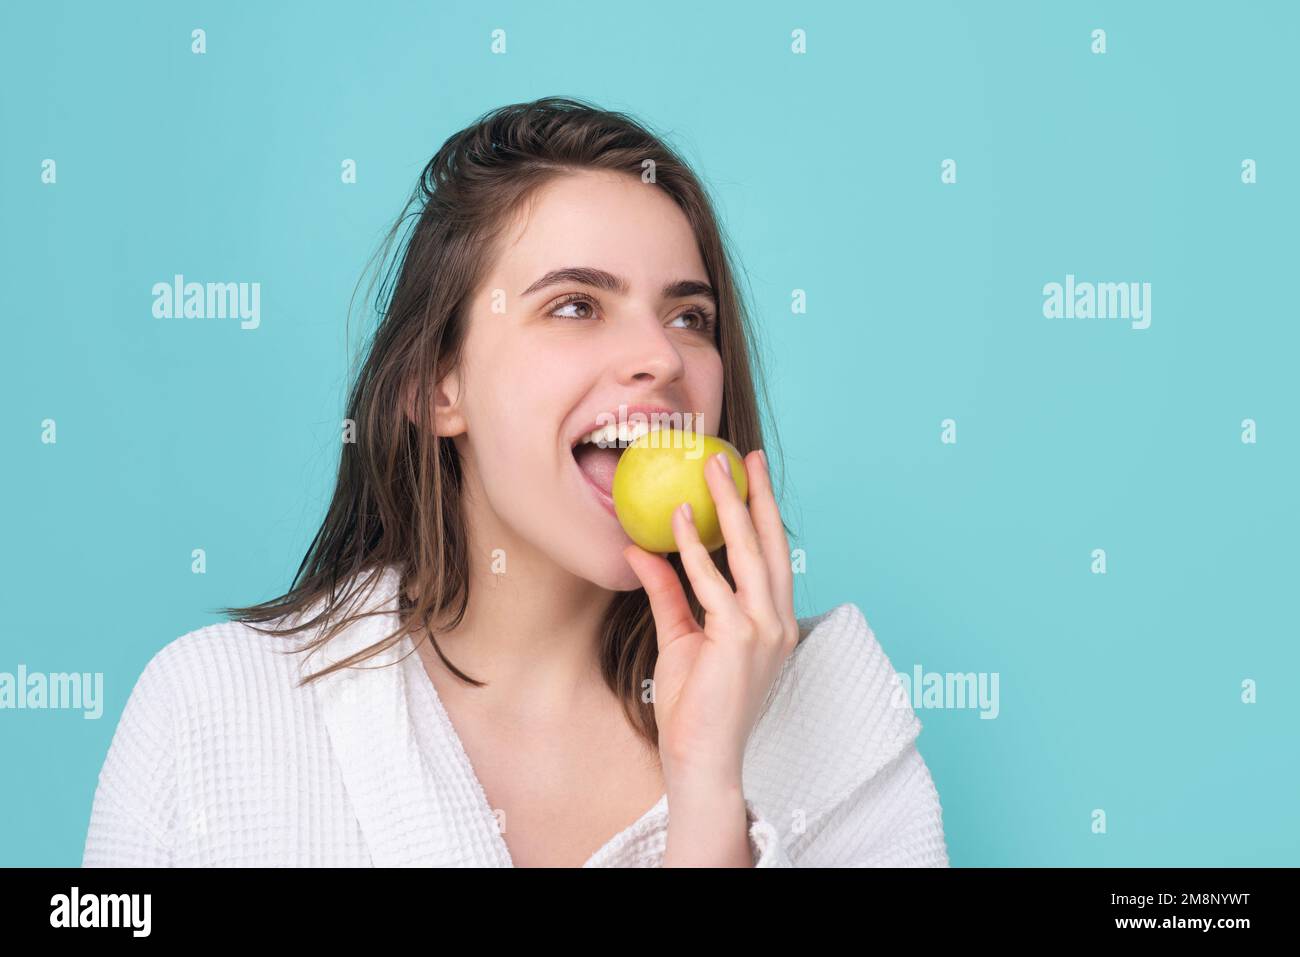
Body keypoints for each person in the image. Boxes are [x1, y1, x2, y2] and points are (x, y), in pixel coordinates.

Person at [82, 97, 949, 867]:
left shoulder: (832, 725)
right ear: (436, 384)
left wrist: (711, 791)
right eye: (576, 304)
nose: (661, 356)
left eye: (690, 316)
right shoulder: (213, 709)